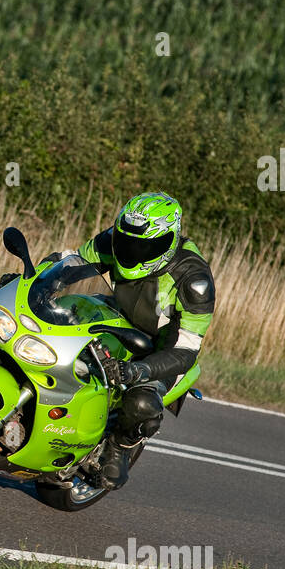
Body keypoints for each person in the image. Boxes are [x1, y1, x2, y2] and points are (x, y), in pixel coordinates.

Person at [73, 192, 215, 489]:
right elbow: (72, 262)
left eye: (143, 246)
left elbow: (187, 349)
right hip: (118, 318)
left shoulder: (195, 280)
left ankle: (118, 450)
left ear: (169, 240)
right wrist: (35, 280)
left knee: (140, 400)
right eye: (128, 242)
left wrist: (143, 370)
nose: (132, 251)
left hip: (162, 351)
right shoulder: (116, 239)